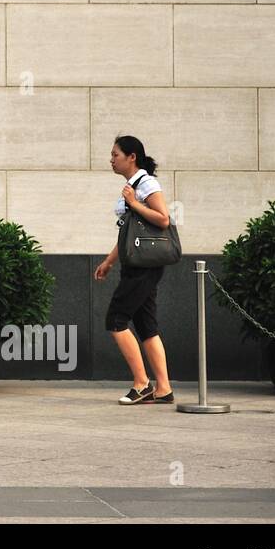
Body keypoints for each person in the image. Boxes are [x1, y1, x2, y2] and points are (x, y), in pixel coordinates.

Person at [94, 135, 175, 405]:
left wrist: (135, 202)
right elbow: (128, 233)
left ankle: (142, 384)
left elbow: (163, 218)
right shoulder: (131, 186)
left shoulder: (146, 183)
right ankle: (163, 388)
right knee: (146, 326)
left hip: (144, 267)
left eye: (116, 154)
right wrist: (109, 261)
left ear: (132, 157)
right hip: (136, 264)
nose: (111, 159)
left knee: (116, 320)